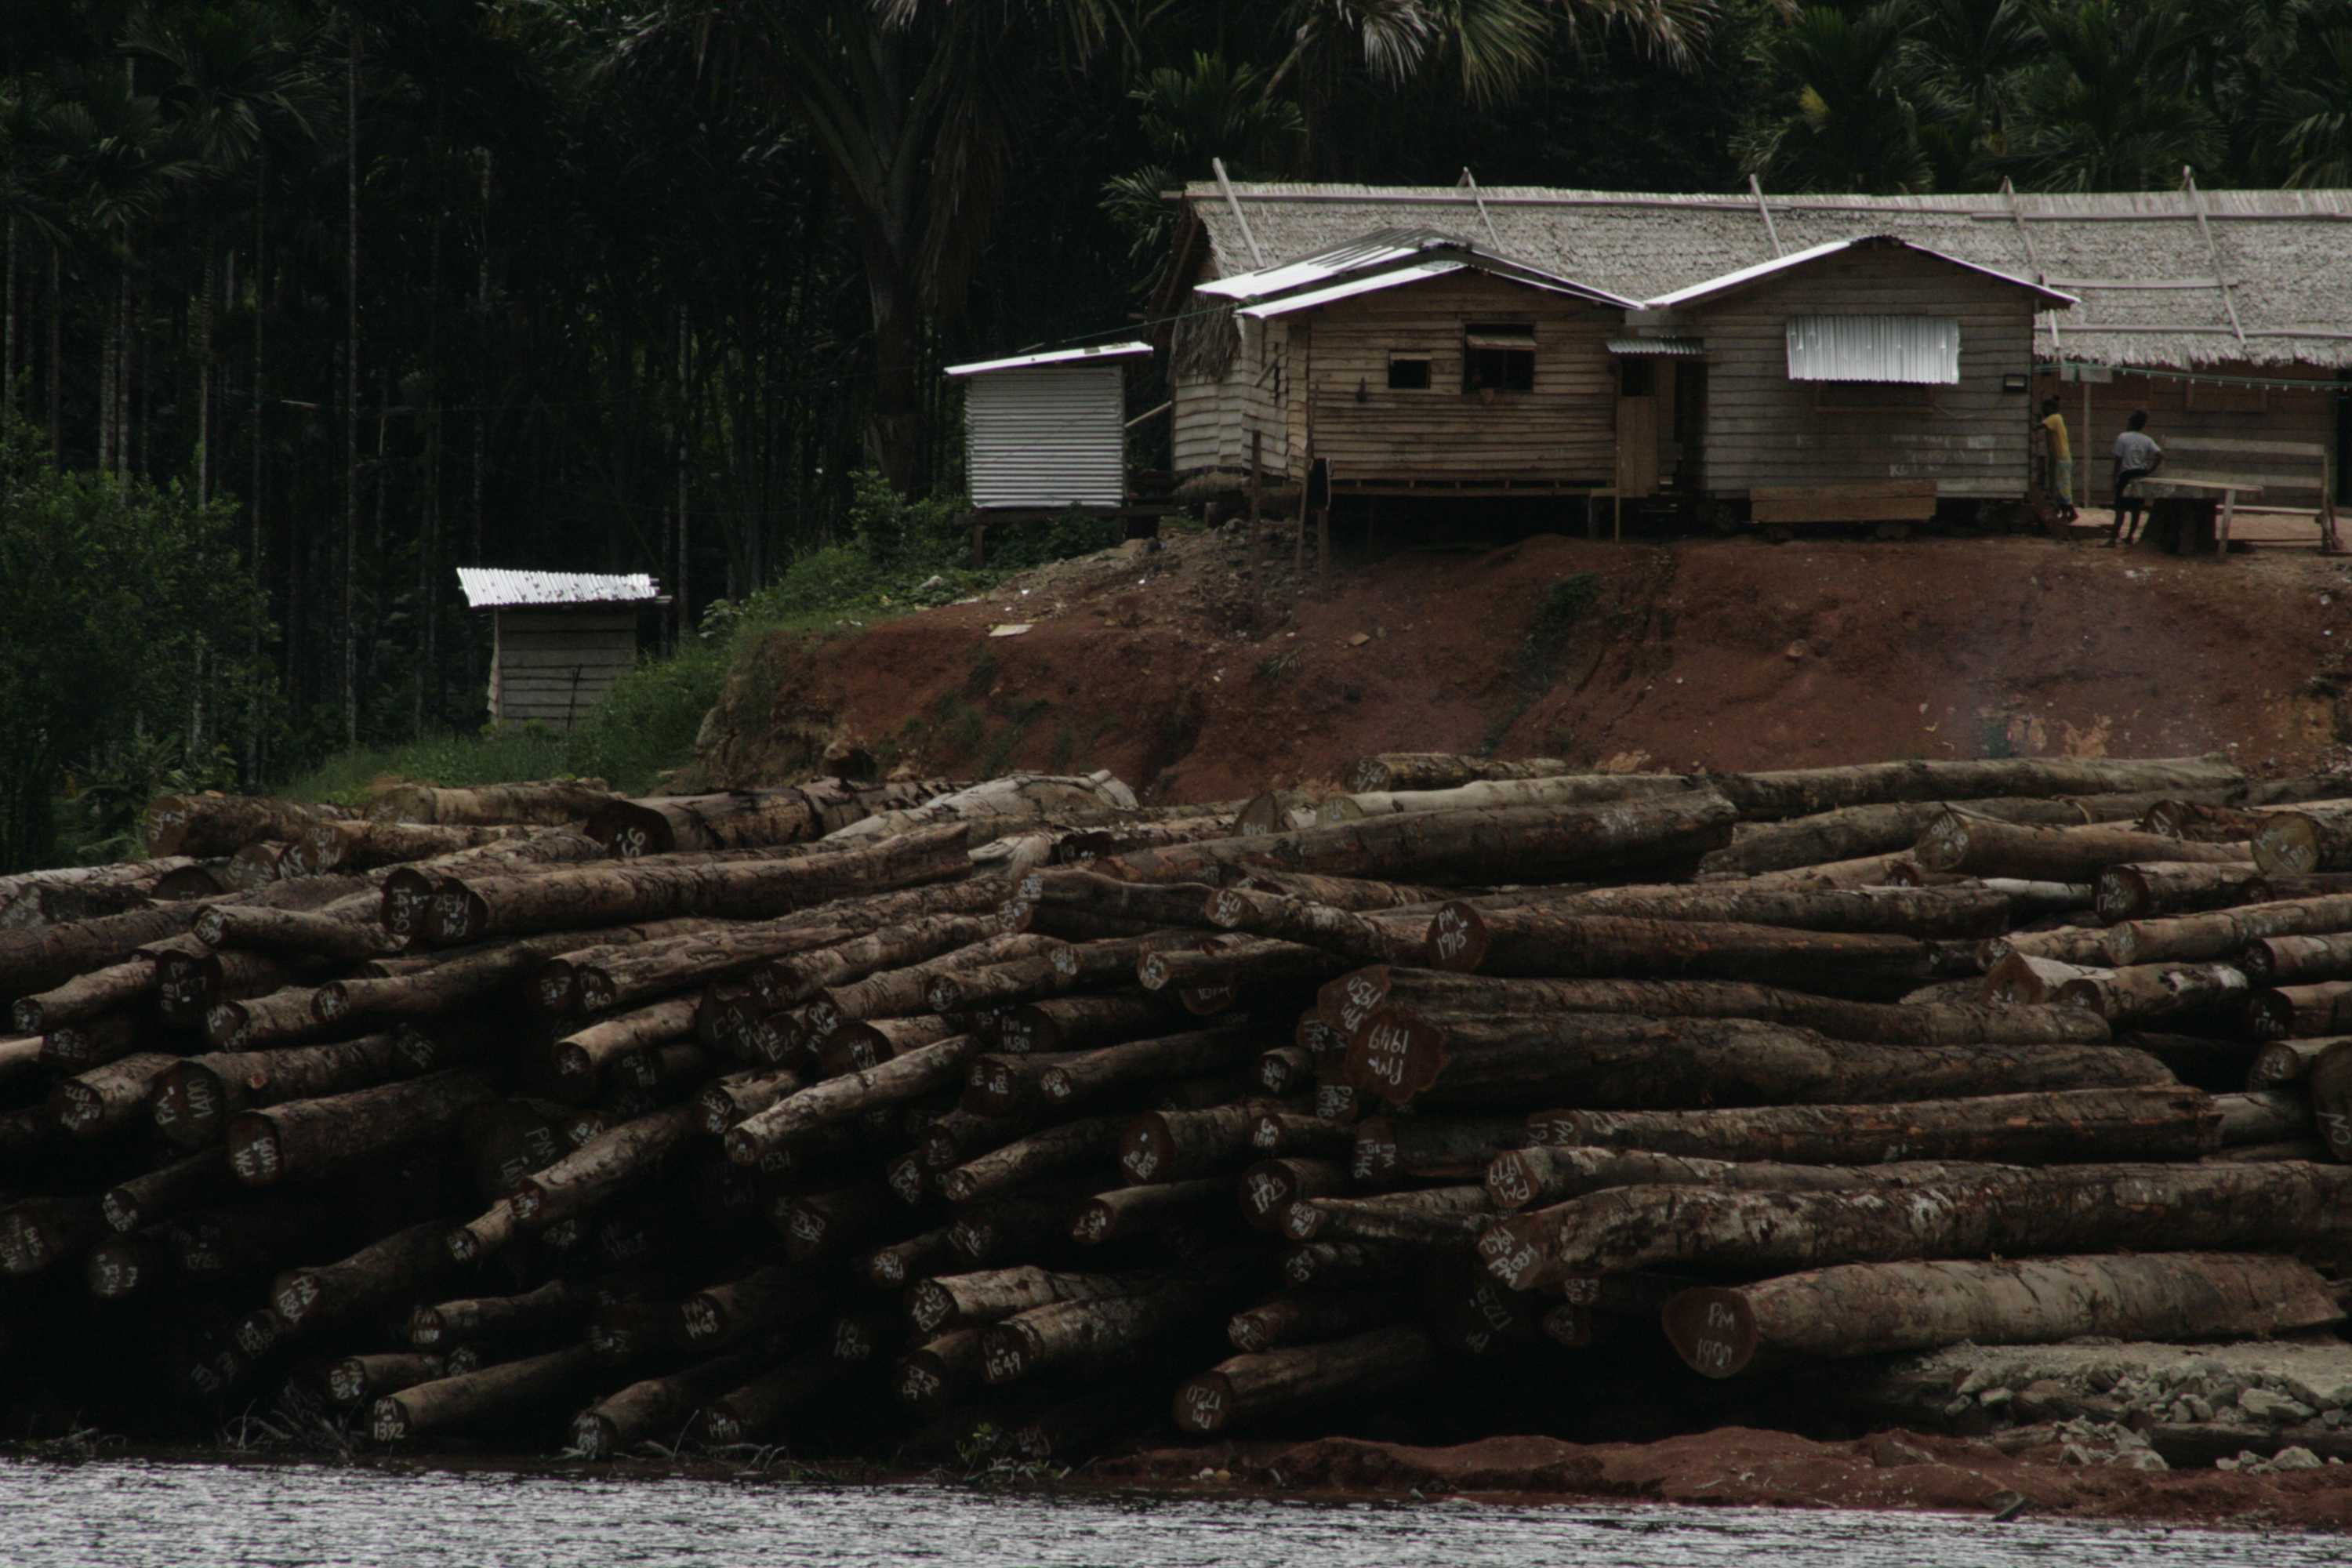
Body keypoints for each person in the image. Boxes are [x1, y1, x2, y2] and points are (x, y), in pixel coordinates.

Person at [2111, 410, 2164, 546]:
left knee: (2120, 508)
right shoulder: (2147, 439)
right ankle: (2130, 537)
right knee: (2136, 509)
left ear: (2130, 422)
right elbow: (2159, 455)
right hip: (2140, 474)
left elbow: (2118, 460)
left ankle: (2112, 539)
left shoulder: (2122, 437)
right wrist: (2149, 470)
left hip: (2126, 475)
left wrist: (2114, 478)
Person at [2039, 397, 2075, 518]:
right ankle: (2066, 513)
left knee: (2063, 486)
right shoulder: (2058, 418)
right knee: (2062, 485)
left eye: (2045, 407)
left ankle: (2071, 511)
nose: (2043, 410)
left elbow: (2038, 426)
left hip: (2062, 458)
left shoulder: (2054, 418)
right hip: (2063, 457)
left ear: (2051, 408)